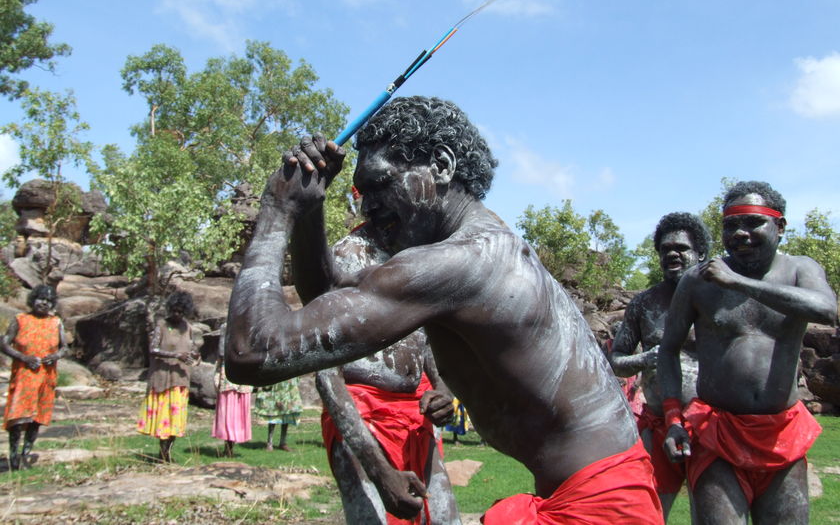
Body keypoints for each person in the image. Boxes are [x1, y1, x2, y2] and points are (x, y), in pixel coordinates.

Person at [226, 96, 662, 523]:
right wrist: (311, 207)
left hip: (597, 506)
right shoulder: (482, 248)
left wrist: (278, 209)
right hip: (607, 491)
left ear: (441, 165)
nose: (368, 206)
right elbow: (327, 297)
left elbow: (251, 355)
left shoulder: (458, 264)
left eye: (381, 183)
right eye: (362, 191)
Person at [659, 181, 838, 524]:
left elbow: (825, 309)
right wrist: (672, 418)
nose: (740, 233)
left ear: (780, 226)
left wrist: (738, 283)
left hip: (782, 436)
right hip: (717, 435)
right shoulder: (698, 280)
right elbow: (669, 350)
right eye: (730, 225)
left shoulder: (801, 269)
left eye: (753, 222)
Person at [318, 222, 460, 524]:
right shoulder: (349, 255)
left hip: (415, 416)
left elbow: (424, 339)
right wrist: (379, 471)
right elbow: (326, 372)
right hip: (360, 411)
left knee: (444, 518)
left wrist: (444, 391)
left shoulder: (418, 255)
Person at [609, 211, 709, 519]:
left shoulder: (717, 300)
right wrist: (645, 358)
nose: (672, 254)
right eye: (665, 249)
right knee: (645, 513)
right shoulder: (644, 303)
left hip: (709, 424)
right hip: (656, 422)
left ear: (701, 253)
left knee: (709, 512)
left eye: (681, 248)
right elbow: (616, 362)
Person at [1, 284, 67, 470]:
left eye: (48, 300)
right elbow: (5, 343)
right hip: (23, 376)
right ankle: (13, 458)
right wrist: (24, 358)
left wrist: (55, 356)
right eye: (40, 299)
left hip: (46, 376)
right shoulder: (20, 320)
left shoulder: (55, 322)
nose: (43, 303)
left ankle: (26, 455)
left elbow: (64, 347)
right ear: (32, 300)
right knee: (18, 417)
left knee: (36, 419)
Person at [136, 291, 200, 463]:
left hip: (180, 380)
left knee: (175, 421)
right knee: (164, 419)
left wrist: (195, 356)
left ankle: (167, 452)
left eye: (181, 311)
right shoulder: (162, 325)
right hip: (163, 378)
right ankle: (163, 454)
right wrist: (174, 355)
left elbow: (192, 348)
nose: (177, 314)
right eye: (175, 311)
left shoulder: (188, 327)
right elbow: (153, 349)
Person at [212, 323, 252, 457]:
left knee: (239, 411)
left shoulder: (250, 326)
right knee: (229, 410)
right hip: (230, 371)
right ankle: (228, 446)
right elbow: (222, 352)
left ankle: (231, 446)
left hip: (244, 371)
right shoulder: (227, 327)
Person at [253, 378, 302, 451]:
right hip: (277, 385)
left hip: (288, 385)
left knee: (287, 413)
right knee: (273, 413)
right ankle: (269, 442)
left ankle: (283, 442)